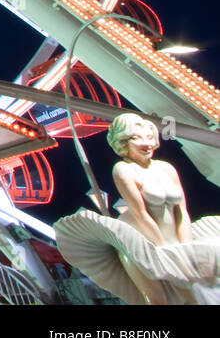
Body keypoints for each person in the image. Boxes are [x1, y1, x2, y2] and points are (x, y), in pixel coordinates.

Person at [55, 113, 220, 304]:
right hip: (140, 243)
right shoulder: (123, 169)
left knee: (198, 292)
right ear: (123, 142)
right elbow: (140, 213)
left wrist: (186, 248)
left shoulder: (166, 168)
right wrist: (162, 251)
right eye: (137, 138)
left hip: (175, 239)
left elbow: (181, 211)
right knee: (157, 299)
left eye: (150, 138)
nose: (147, 144)